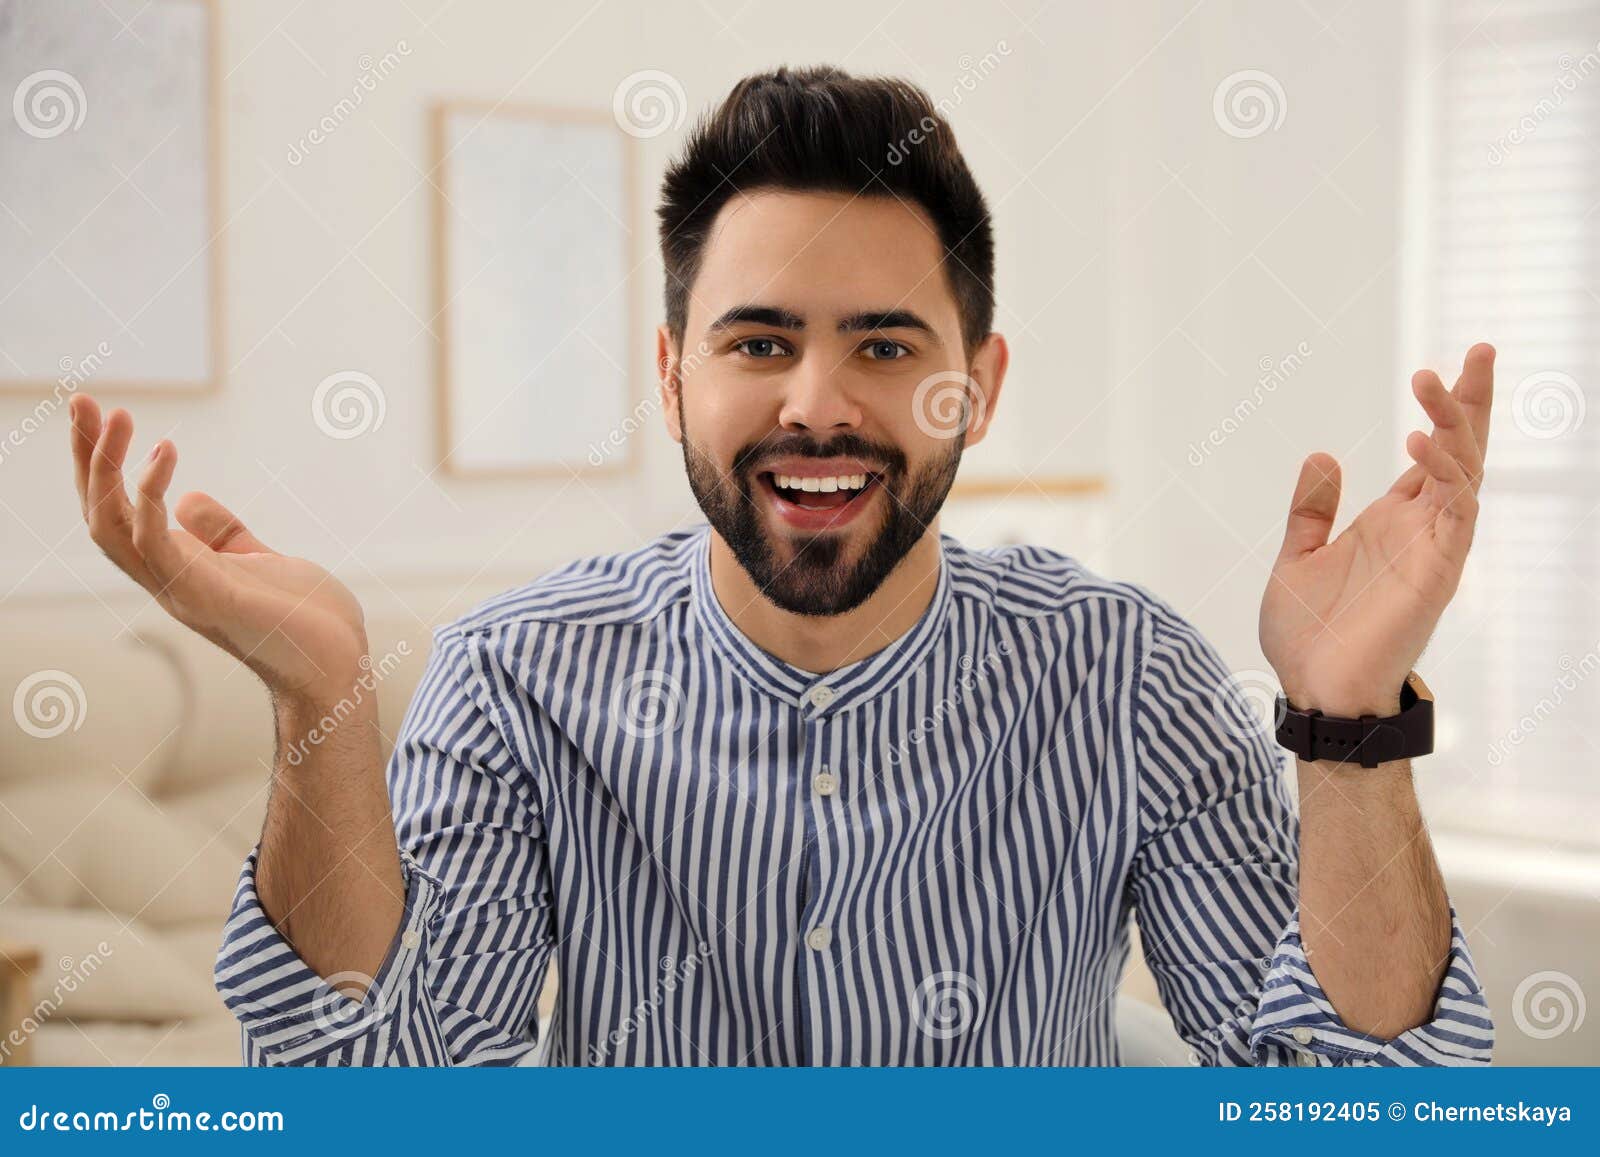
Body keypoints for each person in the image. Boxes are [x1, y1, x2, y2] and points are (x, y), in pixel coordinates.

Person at [68, 66, 1495, 1066]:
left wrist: (1352, 727)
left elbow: (1362, 1103)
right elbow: (365, 1099)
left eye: (884, 343)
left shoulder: (1127, 673)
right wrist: (318, 702)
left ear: (976, 386)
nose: (819, 401)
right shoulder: (512, 677)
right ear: (672, 376)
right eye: (759, 343)